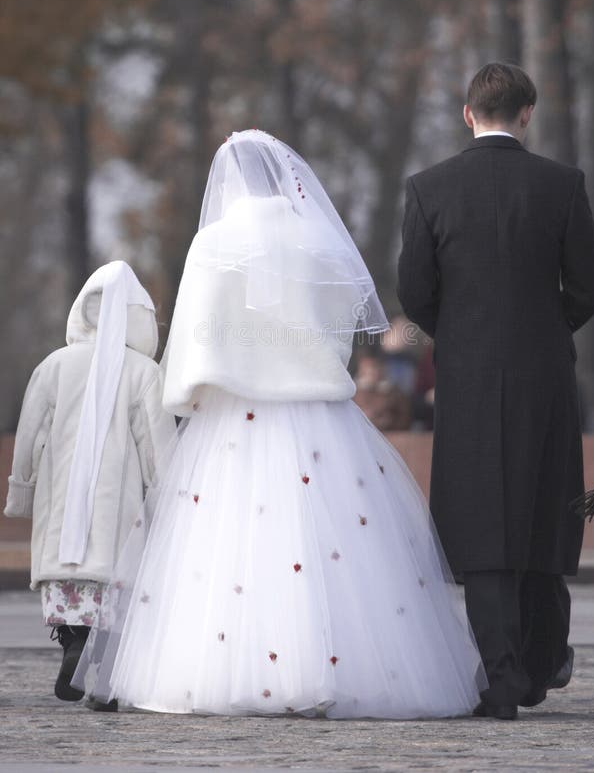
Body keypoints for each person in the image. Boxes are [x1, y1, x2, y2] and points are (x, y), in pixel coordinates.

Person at [75, 129, 485, 719]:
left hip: (234, 420)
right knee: (328, 549)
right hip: (320, 417)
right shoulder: (317, 240)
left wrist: (188, 394)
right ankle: (328, 669)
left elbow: (195, 337)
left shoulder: (215, 243)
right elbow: (341, 329)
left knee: (229, 550)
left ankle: (231, 673)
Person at [397, 62, 594, 720]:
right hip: (544, 372)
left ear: (468, 114)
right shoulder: (562, 184)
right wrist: (546, 327)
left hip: (467, 375)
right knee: (545, 507)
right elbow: (591, 283)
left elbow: (414, 291)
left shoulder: (428, 188)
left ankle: (502, 677)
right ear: (527, 113)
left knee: (482, 515)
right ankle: (543, 662)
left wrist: (460, 336)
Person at [4, 261, 176, 702]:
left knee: (68, 578)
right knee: (115, 589)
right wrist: (169, 500)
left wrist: (22, 489)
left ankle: (73, 643)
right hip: (117, 510)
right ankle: (105, 672)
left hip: (60, 502)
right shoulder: (143, 372)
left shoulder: (53, 366)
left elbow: (29, 435)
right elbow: (157, 445)